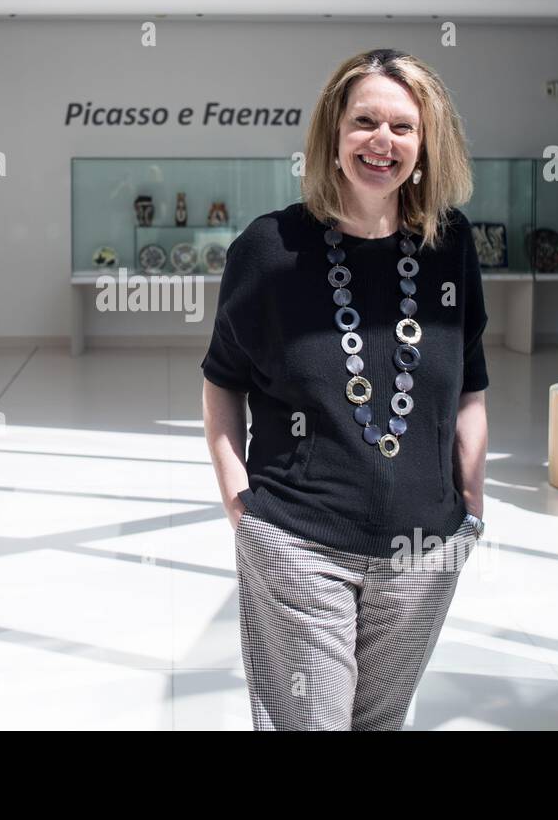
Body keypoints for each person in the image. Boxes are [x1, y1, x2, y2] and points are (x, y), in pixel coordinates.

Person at [200, 48, 489, 730]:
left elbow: (470, 382)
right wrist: (240, 503)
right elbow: (221, 380)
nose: (382, 142)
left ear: (425, 144)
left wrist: (470, 505)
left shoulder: (451, 245)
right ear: (334, 133)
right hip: (299, 542)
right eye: (365, 122)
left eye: (402, 127)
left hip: (424, 548)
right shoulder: (270, 249)